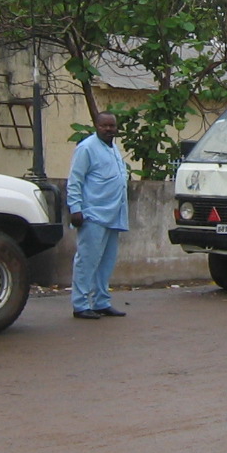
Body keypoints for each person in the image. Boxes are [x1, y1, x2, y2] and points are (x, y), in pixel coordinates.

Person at [66, 111, 130, 319]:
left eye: (112, 126)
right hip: (93, 214)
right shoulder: (86, 148)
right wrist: (75, 208)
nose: (109, 129)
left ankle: (101, 301)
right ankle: (80, 304)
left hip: (114, 215)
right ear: (96, 126)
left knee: (106, 262)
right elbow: (75, 180)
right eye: (105, 126)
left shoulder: (113, 149)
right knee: (87, 261)